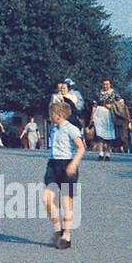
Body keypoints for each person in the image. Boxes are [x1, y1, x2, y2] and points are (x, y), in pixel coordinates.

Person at [43, 100, 86, 249]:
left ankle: (66, 236)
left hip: (67, 165)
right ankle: (57, 227)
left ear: (60, 115)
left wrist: (73, 164)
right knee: (46, 198)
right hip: (53, 164)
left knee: (66, 203)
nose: (50, 116)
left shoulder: (71, 129)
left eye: (52, 114)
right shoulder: (54, 129)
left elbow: (81, 148)